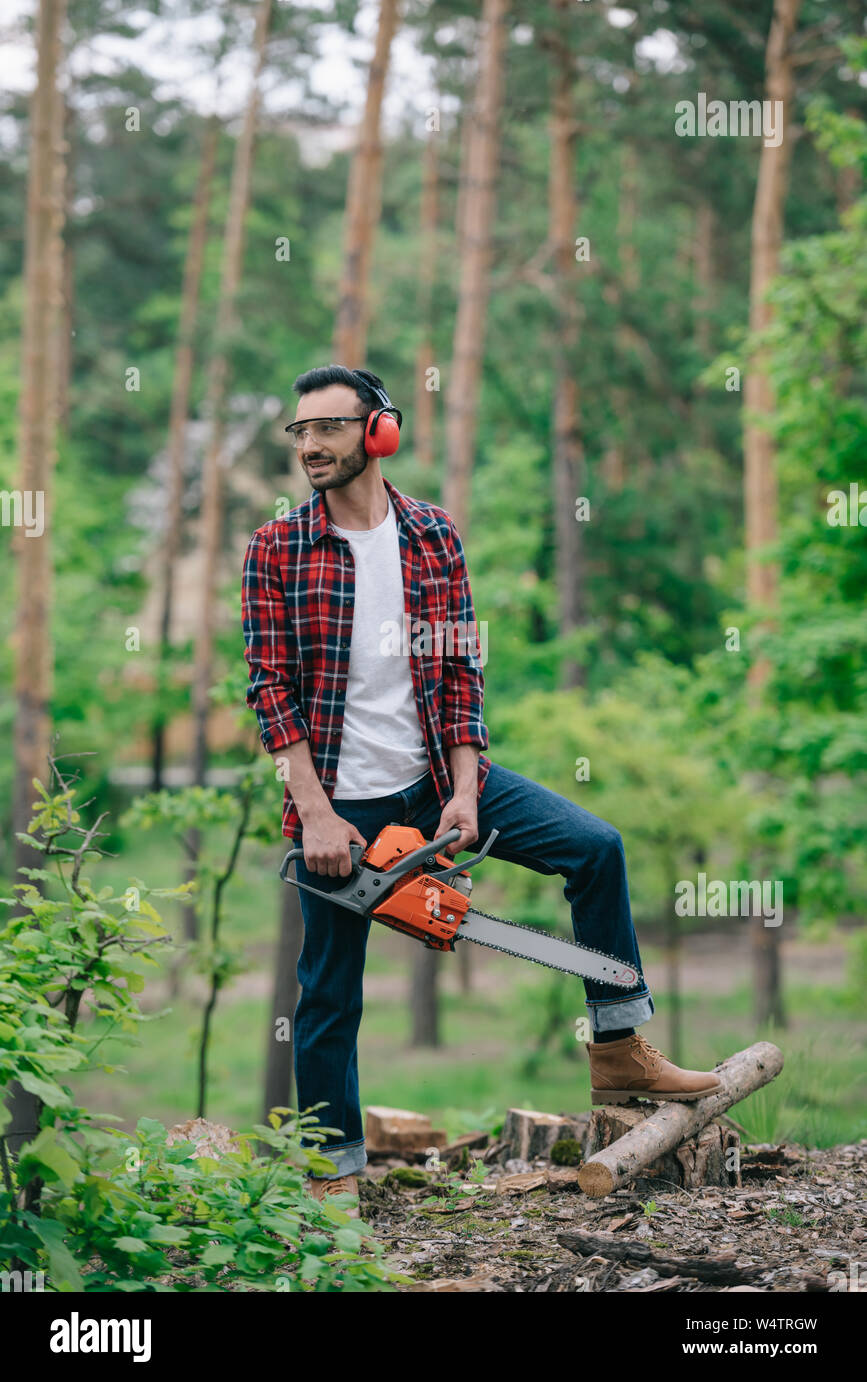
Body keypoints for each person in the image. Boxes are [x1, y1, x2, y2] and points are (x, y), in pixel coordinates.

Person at [241, 365, 722, 1217]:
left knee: (594, 848)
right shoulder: (276, 548)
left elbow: (460, 672)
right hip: (336, 803)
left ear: (377, 432)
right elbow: (269, 690)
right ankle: (330, 1169)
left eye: (328, 428)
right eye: (299, 432)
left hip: (437, 781)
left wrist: (464, 793)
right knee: (326, 991)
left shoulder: (432, 535)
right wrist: (313, 811)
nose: (310, 445)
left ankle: (616, 1042)